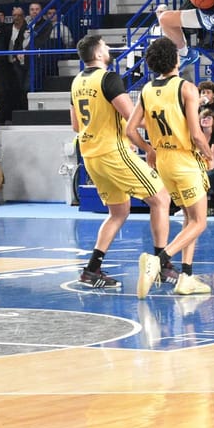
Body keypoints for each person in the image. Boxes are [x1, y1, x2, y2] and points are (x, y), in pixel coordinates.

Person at [70, 35, 173, 290]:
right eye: (105, 46)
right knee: (161, 198)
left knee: (118, 211)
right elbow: (132, 118)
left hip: (90, 154)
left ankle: (92, 269)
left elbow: (75, 125)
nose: (108, 49)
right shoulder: (108, 78)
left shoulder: (76, 82)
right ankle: (161, 263)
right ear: (97, 54)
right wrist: (151, 144)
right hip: (112, 151)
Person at [125, 37, 214, 296]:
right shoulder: (187, 88)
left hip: (162, 160)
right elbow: (197, 135)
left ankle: (186, 276)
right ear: (175, 59)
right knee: (200, 222)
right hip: (184, 160)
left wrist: (149, 149)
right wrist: (209, 156)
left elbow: (131, 129)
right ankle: (160, 260)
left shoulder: (146, 90)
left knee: (188, 218)